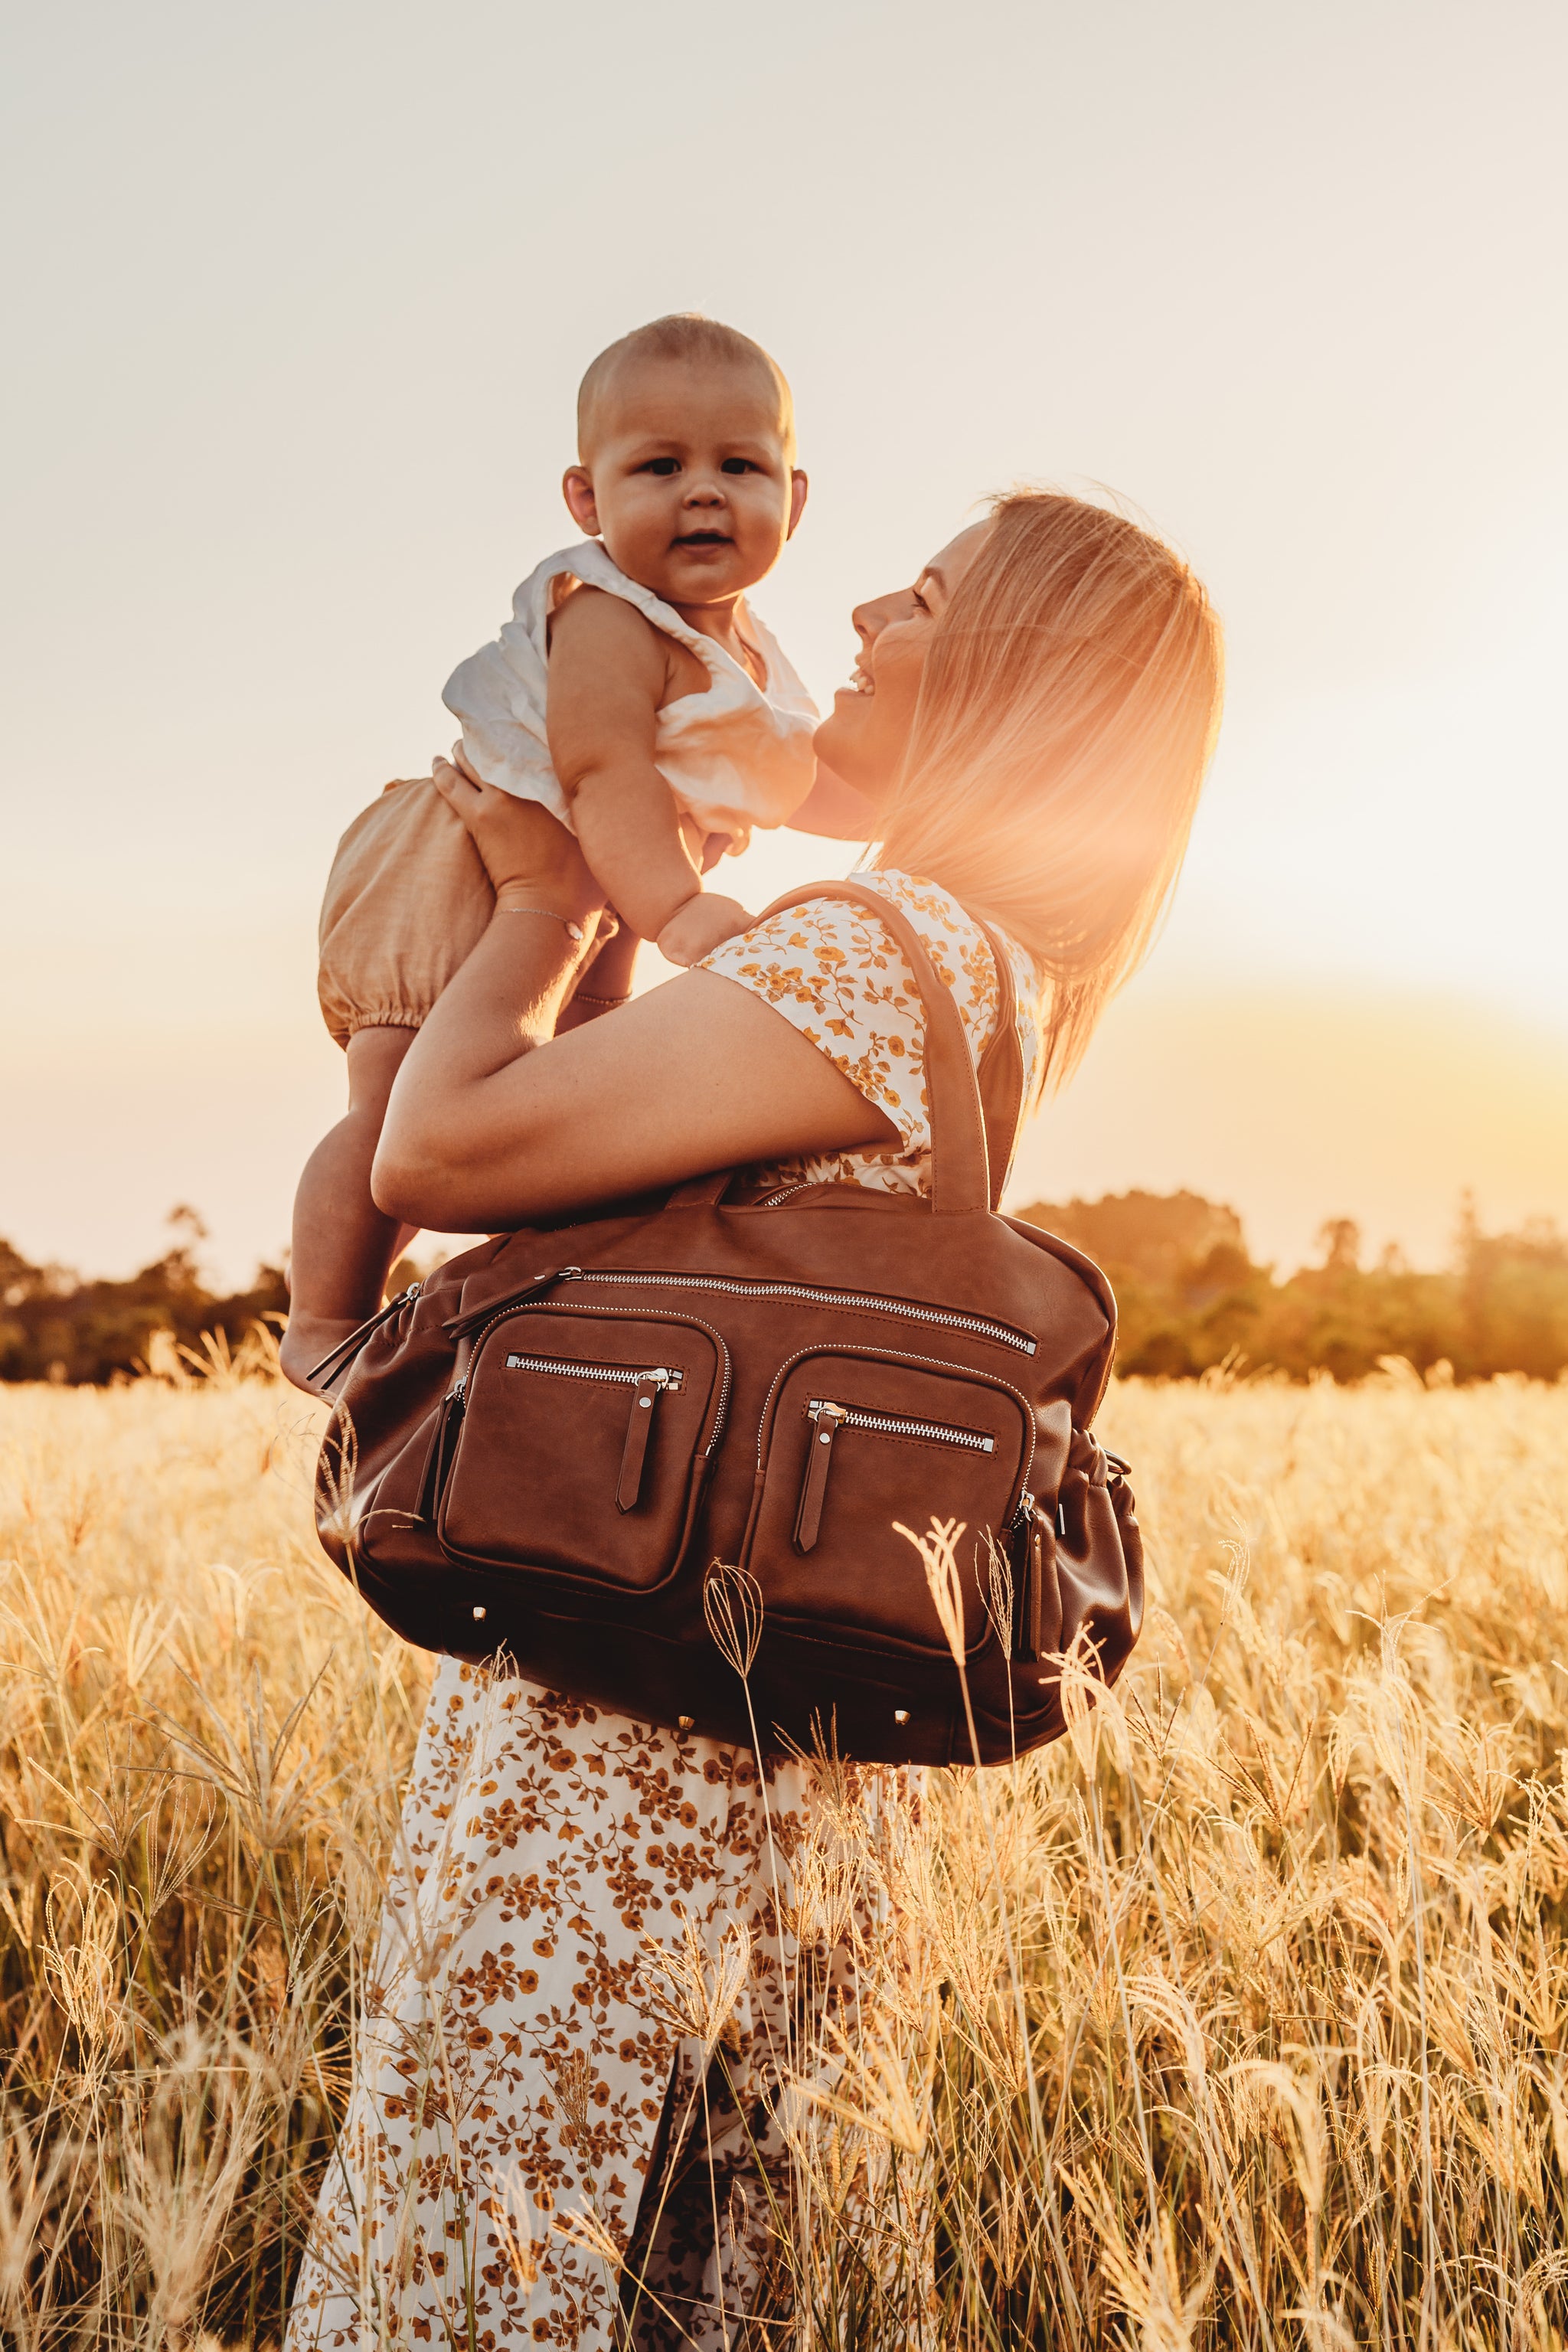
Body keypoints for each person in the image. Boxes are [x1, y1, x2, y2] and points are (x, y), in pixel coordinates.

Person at [283, 491, 1224, 2349]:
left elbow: (445, 1147)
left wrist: (549, 907)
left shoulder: (889, 944)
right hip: (792, 1737)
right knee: (689, 2269)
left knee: (506, 2252)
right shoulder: (983, 973)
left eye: (932, 598)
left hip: (633, 1748)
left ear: (1018, 682)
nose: (862, 607)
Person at [281, 315, 818, 1394]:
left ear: (794, 499)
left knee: (558, 1121)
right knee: (394, 1111)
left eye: (740, 465)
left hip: (593, 888)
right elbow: (603, 774)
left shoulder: (747, 653)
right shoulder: (610, 616)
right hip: (460, 856)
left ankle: (538, 1318)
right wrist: (674, 913)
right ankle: (324, 1317)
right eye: (661, 465)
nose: (704, 492)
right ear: (587, 501)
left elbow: (804, 775)